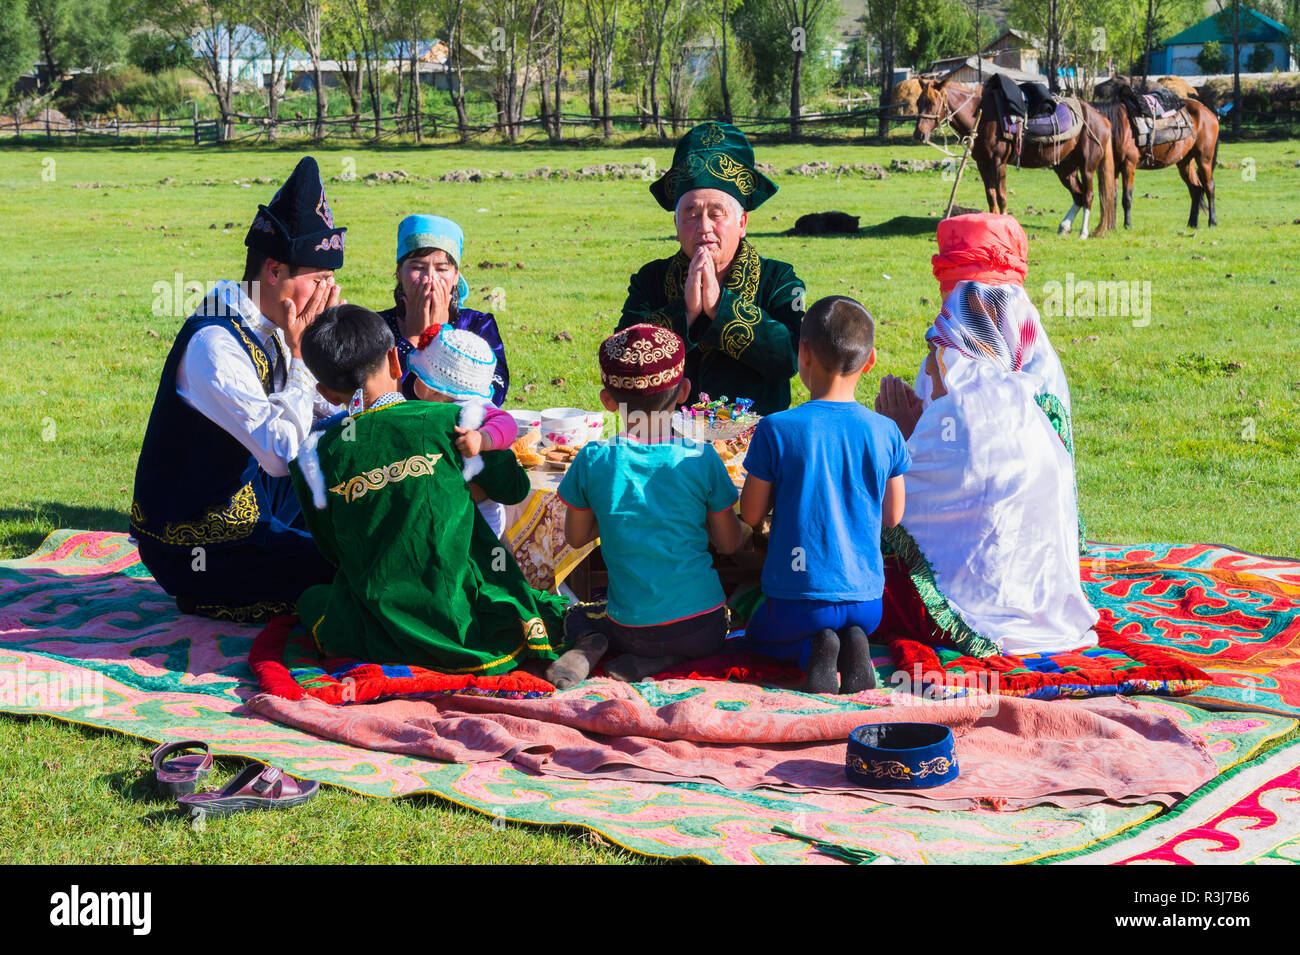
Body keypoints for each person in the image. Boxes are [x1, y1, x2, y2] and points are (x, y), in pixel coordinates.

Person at [289, 304, 566, 672]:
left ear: (325, 391)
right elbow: (514, 490)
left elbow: (332, 549)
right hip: (465, 621)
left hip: (379, 626)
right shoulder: (457, 423)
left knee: (312, 600)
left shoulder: (311, 456)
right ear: (395, 360)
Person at [130, 156, 345, 622]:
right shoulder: (216, 343)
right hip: (196, 544)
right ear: (273, 271)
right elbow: (279, 454)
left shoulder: (271, 326)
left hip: (255, 498)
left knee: (355, 467)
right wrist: (303, 357)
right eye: (319, 280)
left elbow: (318, 421)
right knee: (350, 571)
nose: (330, 294)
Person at [874, 279, 1098, 658]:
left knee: (857, 583)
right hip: (1043, 601)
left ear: (961, 350)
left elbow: (889, 512)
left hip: (979, 609)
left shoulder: (964, 409)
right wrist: (917, 437)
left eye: (936, 351)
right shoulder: (1024, 400)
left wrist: (898, 440)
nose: (929, 371)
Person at [545, 324, 744, 688]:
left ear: (607, 400)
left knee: (578, 614)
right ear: (684, 391)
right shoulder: (701, 456)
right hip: (703, 628)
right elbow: (729, 544)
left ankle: (590, 645)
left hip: (631, 630)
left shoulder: (593, 459)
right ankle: (667, 659)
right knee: (737, 605)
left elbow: (576, 539)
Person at [738, 297, 909, 694]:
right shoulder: (886, 432)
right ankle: (853, 642)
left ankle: (814, 648)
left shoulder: (776, 428)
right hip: (868, 604)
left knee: (756, 635)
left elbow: (750, 514)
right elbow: (893, 516)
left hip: (797, 603)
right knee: (849, 623)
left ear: (803, 353)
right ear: (870, 361)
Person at [618, 122, 806, 416]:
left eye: (716, 214)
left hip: (753, 444)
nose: (704, 227)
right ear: (676, 225)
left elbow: (792, 359)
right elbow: (621, 360)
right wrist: (686, 313)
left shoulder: (780, 280)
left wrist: (721, 308)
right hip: (663, 439)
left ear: (742, 223)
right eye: (690, 214)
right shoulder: (650, 280)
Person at [379, 214, 509, 406]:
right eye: (417, 267)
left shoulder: (478, 324)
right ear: (399, 272)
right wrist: (413, 339)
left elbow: (496, 392)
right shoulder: (376, 326)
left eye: (441, 269)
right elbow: (373, 395)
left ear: (456, 276)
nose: (429, 279)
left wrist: (439, 338)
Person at [407, 325, 519, 537]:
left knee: (479, 557)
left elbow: (508, 424)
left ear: (434, 388)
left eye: (417, 375)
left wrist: (483, 438)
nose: (413, 379)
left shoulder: (474, 409)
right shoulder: (433, 407)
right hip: (448, 507)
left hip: (482, 516)